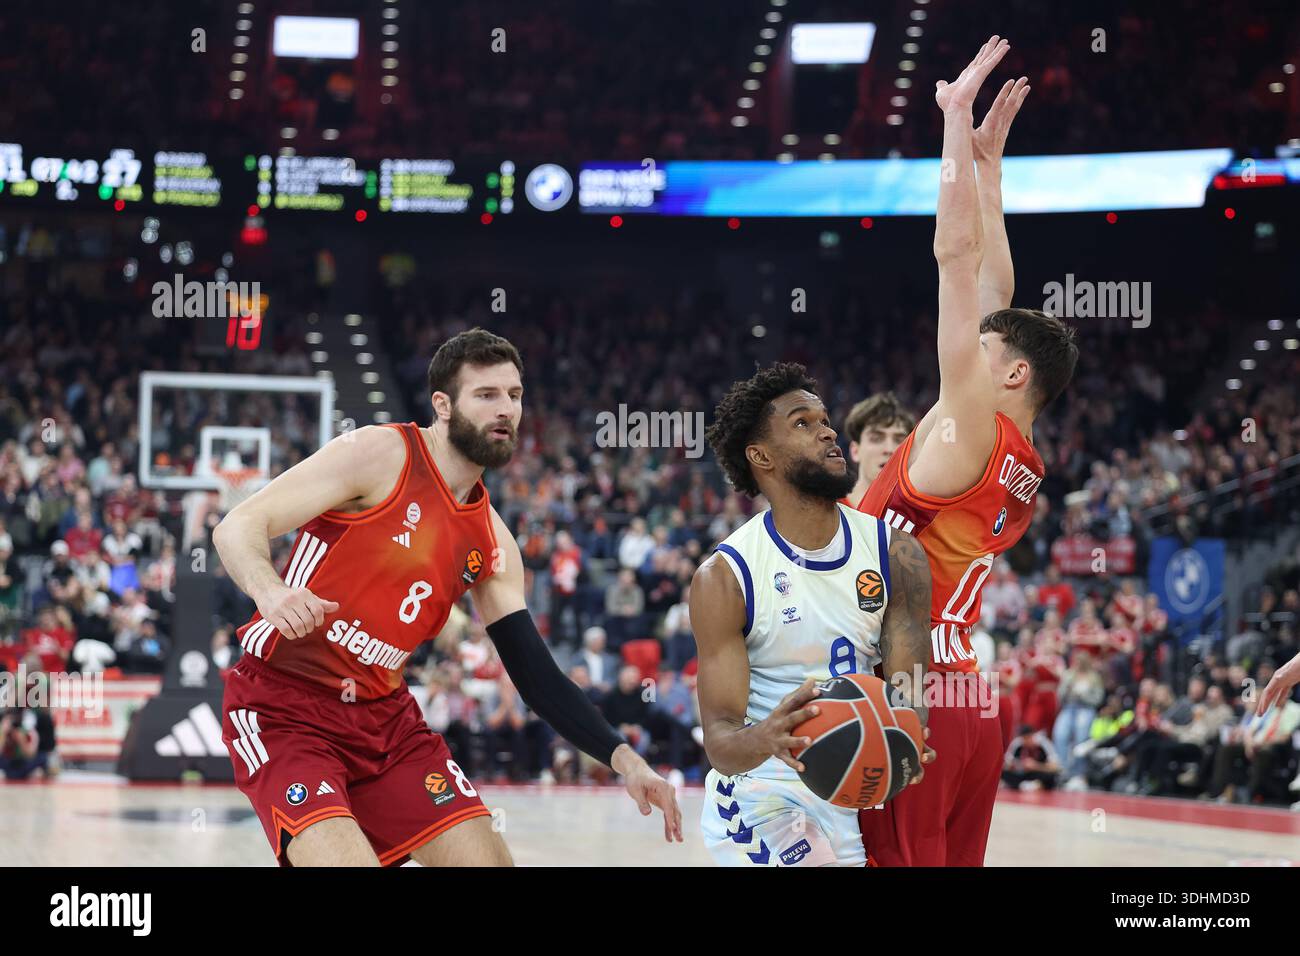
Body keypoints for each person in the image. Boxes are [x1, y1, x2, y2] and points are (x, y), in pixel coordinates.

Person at [213, 328, 681, 867]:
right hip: (285, 706)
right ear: (443, 405)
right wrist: (270, 590)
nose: (505, 409)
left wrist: (626, 760)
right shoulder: (379, 453)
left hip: (385, 722)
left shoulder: (492, 540)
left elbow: (535, 675)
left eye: (514, 394)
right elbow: (240, 524)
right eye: (486, 395)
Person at [856, 36, 1077, 867]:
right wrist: (988, 170)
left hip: (914, 692)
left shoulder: (970, 424)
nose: (959, 356)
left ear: (1011, 373)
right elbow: (995, 293)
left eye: (981, 351)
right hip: (968, 699)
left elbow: (956, 262)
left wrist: (952, 122)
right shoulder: (1016, 451)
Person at [692, 362, 933, 867]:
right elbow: (720, 742)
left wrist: (906, 732)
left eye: (824, 419)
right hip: (761, 792)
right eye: (802, 423)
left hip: (853, 788)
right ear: (760, 456)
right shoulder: (725, 577)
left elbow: (909, 690)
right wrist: (768, 735)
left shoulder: (897, 553)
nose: (826, 430)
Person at [841, 392, 915, 508]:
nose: (889, 449)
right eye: (876, 439)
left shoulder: (917, 514)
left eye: (899, 440)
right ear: (855, 451)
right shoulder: (829, 507)